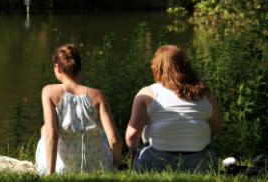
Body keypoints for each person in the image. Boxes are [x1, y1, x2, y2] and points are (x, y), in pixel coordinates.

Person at [125, 45, 222, 173]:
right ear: (186, 66)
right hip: (201, 163)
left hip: (155, 162)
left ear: (157, 69)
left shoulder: (148, 93)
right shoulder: (205, 93)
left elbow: (132, 136)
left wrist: (133, 157)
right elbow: (216, 127)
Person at [35, 44, 121, 175]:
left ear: (58, 68)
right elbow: (114, 139)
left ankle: (51, 169)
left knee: (45, 129)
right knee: (101, 133)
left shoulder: (49, 92)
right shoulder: (98, 95)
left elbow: (52, 136)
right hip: (99, 165)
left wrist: (51, 173)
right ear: (79, 68)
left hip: (64, 168)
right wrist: (118, 162)